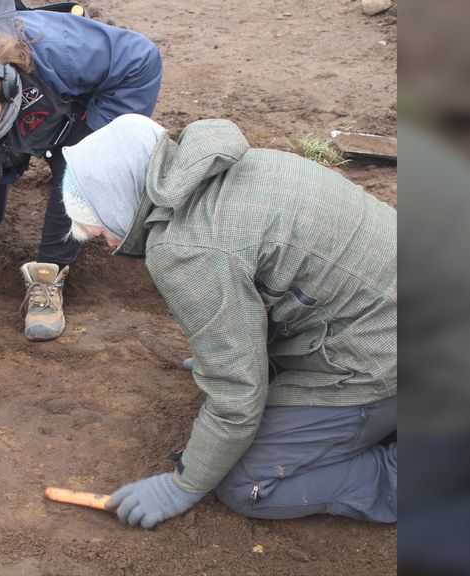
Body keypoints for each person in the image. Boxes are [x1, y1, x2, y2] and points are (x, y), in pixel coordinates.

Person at [59, 114, 397, 527]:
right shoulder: (236, 165)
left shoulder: (186, 248)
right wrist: (221, 356)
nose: (110, 244)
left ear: (118, 198)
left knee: (247, 484)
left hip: (385, 355)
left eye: (101, 231)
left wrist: (183, 485)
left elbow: (237, 396)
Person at [0, 0, 163, 389]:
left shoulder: (58, 51)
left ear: (7, 93)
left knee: (78, 175)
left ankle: (50, 272)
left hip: (61, 114)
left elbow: (140, 58)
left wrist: (96, 144)